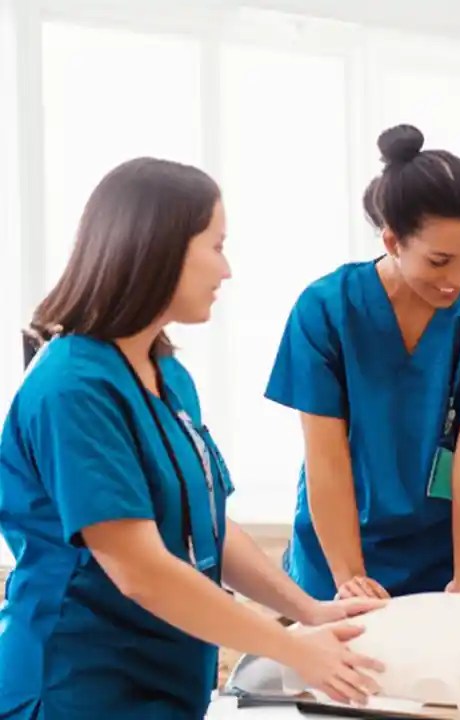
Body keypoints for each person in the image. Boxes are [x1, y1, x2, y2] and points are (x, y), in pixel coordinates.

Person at [0, 158, 385, 719]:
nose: (225, 270)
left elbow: (207, 528)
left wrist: (308, 611)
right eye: (216, 245)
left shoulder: (166, 375)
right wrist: (290, 648)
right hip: (75, 687)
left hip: (163, 683)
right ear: (156, 247)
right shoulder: (71, 388)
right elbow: (141, 571)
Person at [266, 124, 460, 603]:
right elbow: (325, 457)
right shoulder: (326, 310)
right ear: (392, 242)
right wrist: (350, 578)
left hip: (446, 559)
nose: (457, 278)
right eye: (439, 261)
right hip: (338, 558)